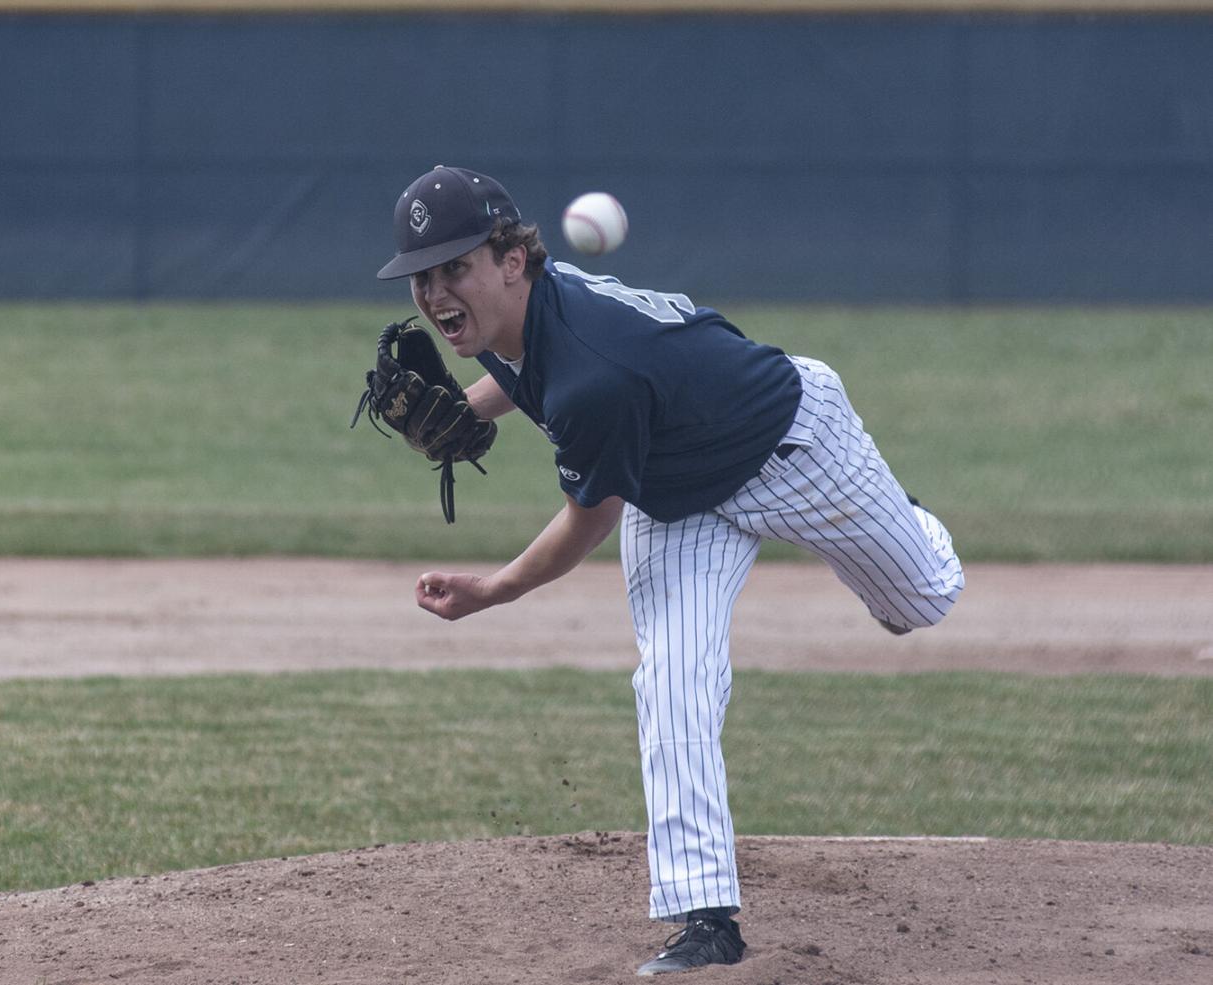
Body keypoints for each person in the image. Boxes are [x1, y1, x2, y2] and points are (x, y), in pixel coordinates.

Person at [375, 165, 964, 975]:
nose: (436, 293)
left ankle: (902, 521)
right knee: (674, 681)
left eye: (455, 268)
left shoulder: (594, 373)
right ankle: (706, 918)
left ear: (511, 259)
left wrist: (496, 588)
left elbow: (590, 516)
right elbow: (521, 370)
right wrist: (464, 412)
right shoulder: (518, 314)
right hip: (676, 495)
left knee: (922, 600)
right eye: (422, 276)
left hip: (794, 445)